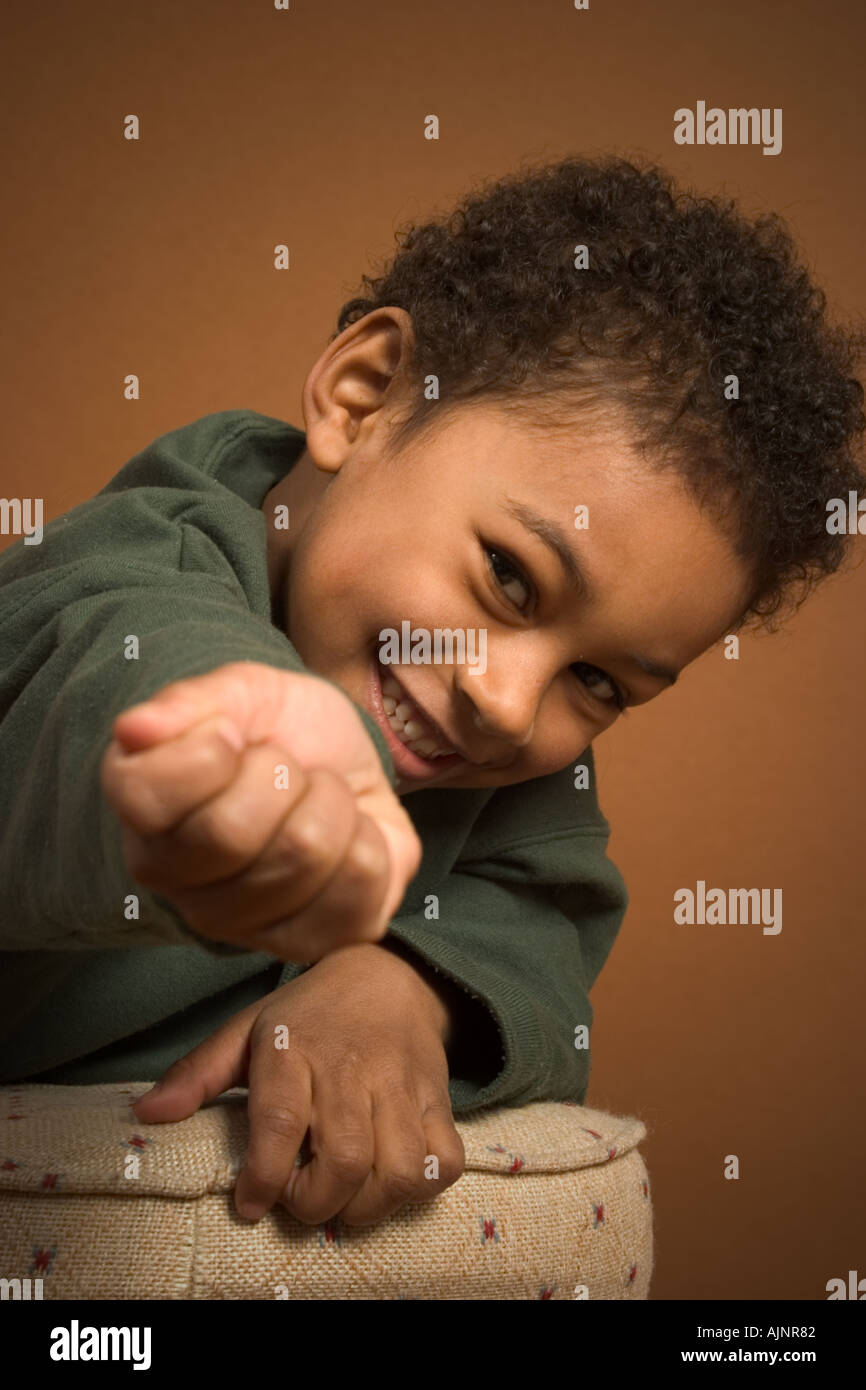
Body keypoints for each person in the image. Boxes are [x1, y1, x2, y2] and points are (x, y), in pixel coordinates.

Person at [0, 155, 862, 1230]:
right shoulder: (120, 584)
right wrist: (247, 764)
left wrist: (405, 983)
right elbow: (100, 676)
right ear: (362, 399)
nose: (507, 704)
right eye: (509, 578)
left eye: (595, 682)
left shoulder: (504, 765)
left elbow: (543, 914)